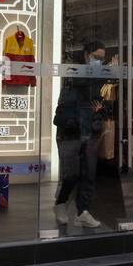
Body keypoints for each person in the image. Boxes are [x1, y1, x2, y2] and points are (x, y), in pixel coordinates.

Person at [52, 40, 109, 229]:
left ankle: (82, 212)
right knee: (71, 174)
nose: (99, 62)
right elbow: (84, 83)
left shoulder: (95, 79)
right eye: (96, 58)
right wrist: (108, 71)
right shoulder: (75, 72)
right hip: (71, 131)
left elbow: (96, 100)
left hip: (89, 129)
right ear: (86, 55)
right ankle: (60, 204)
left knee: (88, 174)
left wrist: (100, 107)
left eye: (102, 59)